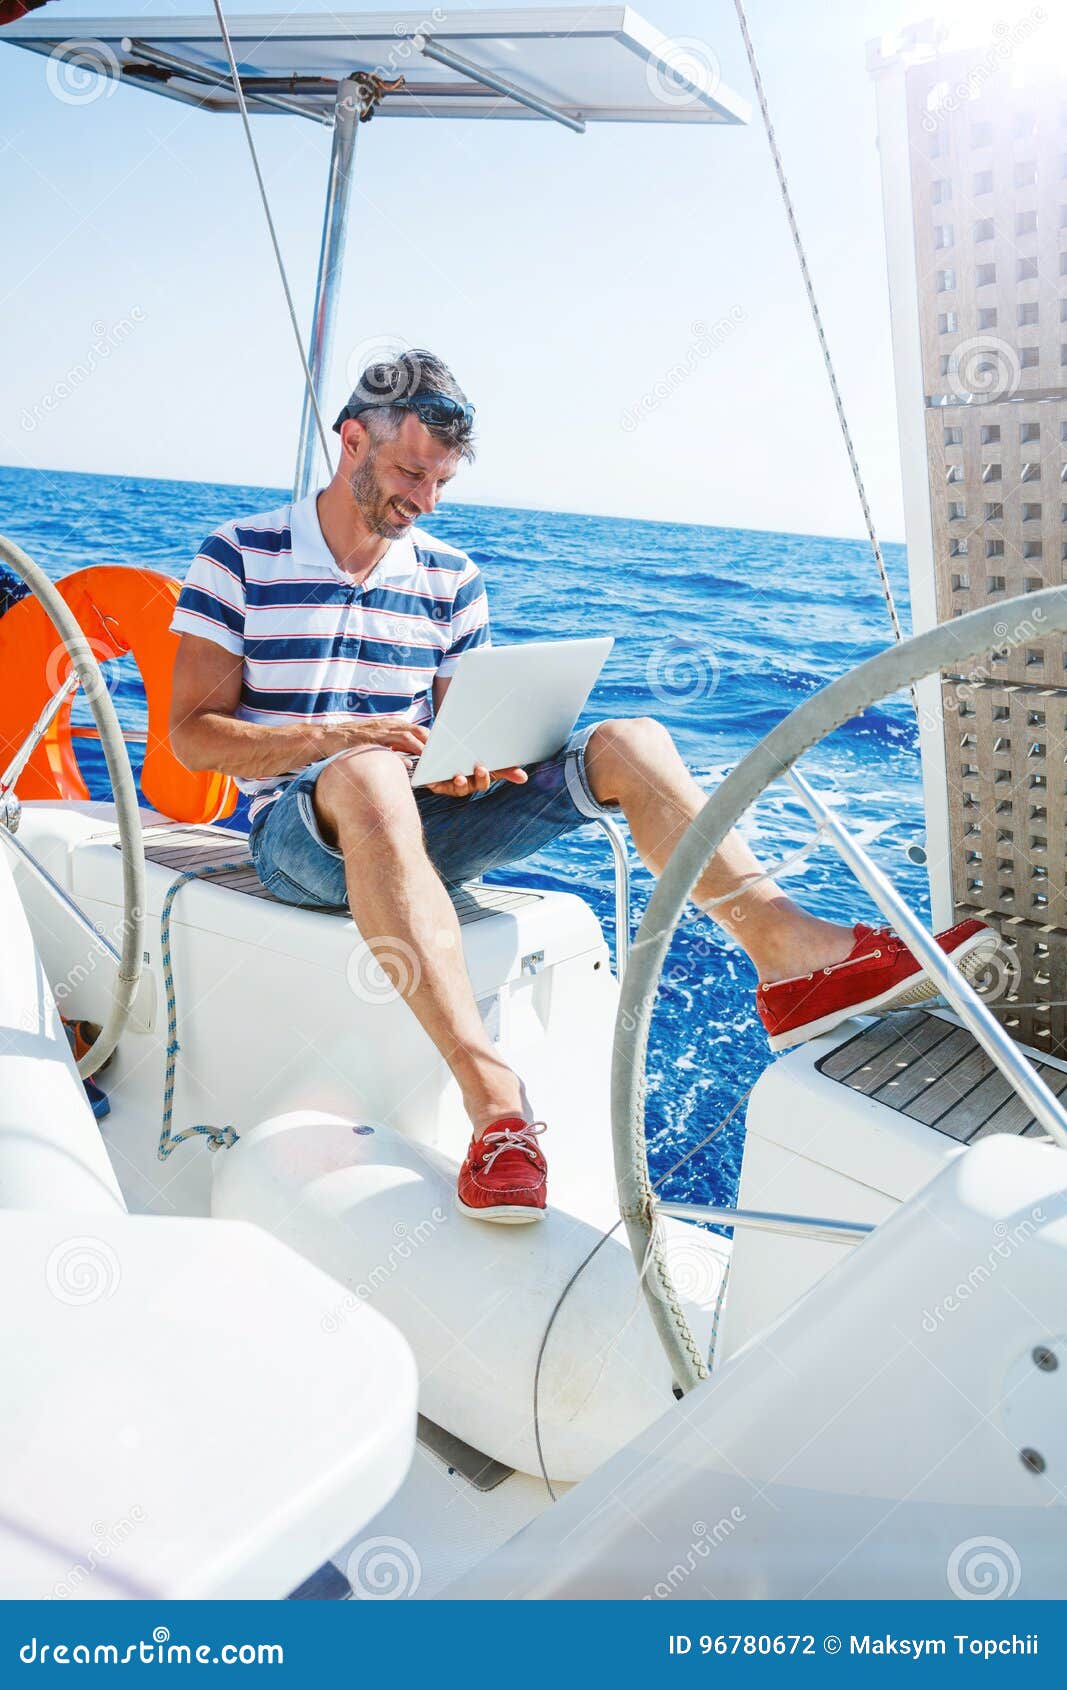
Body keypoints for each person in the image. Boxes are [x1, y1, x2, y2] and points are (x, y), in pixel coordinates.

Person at [169, 349, 989, 1224]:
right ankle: (496, 1107)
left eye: (442, 482)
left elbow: (454, 735)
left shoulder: (450, 579)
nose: (426, 501)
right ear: (351, 443)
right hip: (300, 842)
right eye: (411, 473)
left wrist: (474, 765)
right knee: (369, 771)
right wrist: (345, 738)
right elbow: (191, 738)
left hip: (414, 820)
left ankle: (788, 957)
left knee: (632, 741)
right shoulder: (241, 554)